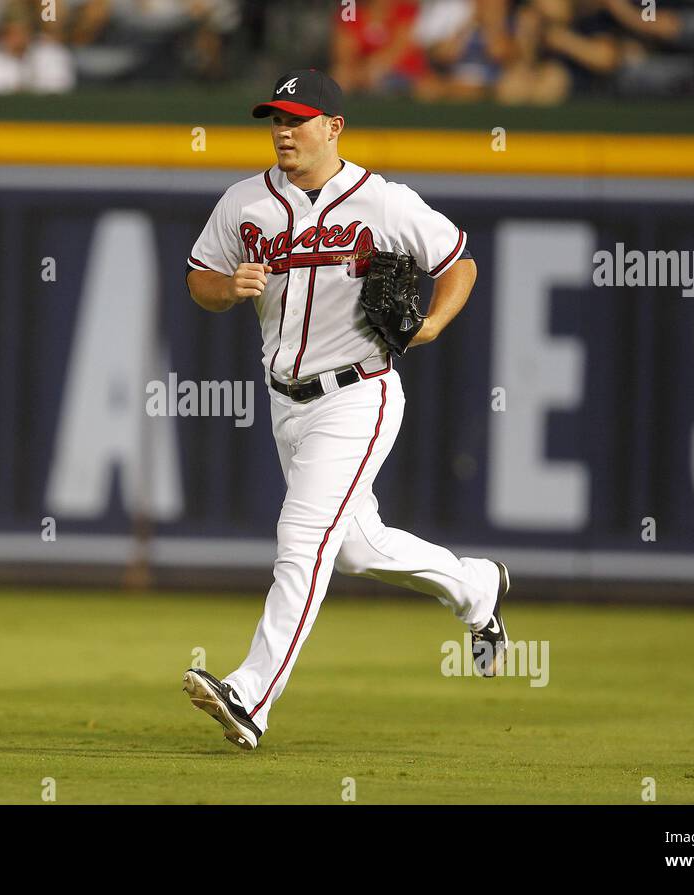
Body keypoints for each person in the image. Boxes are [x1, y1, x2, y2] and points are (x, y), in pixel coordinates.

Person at [181, 69, 510, 750]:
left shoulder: (384, 203)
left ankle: (250, 693)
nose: (283, 131)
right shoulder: (247, 202)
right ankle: (477, 586)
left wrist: (433, 325)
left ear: (333, 126)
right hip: (285, 401)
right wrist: (227, 285)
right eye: (275, 119)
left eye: (297, 120)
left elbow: (460, 263)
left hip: (359, 393)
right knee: (356, 546)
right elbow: (198, 280)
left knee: (302, 539)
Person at [0, 4, 75, 94]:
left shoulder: (52, 54)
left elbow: (60, 90)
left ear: (30, 31)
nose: (15, 38)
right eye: (9, 33)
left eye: (21, 32)